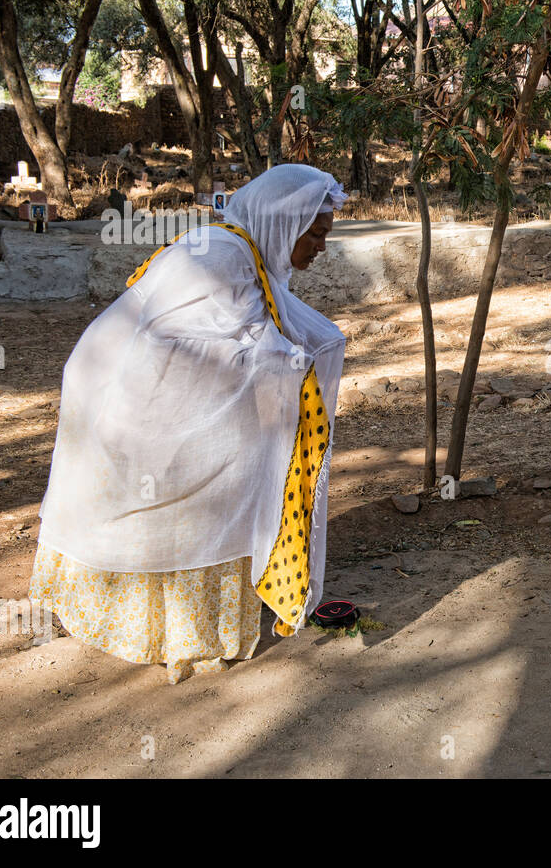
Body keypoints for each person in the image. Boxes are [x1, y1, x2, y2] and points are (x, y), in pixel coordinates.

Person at [30, 164, 348, 683]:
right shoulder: (223, 256)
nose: (320, 249)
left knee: (239, 456)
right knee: (200, 482)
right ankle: (178, 627)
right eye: (315, 235)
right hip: (128, 394)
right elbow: (216, 347)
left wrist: (300, 356)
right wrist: (296, 363)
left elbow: (248, 340)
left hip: (138, 383)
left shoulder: (243, 252)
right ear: (284, 224)